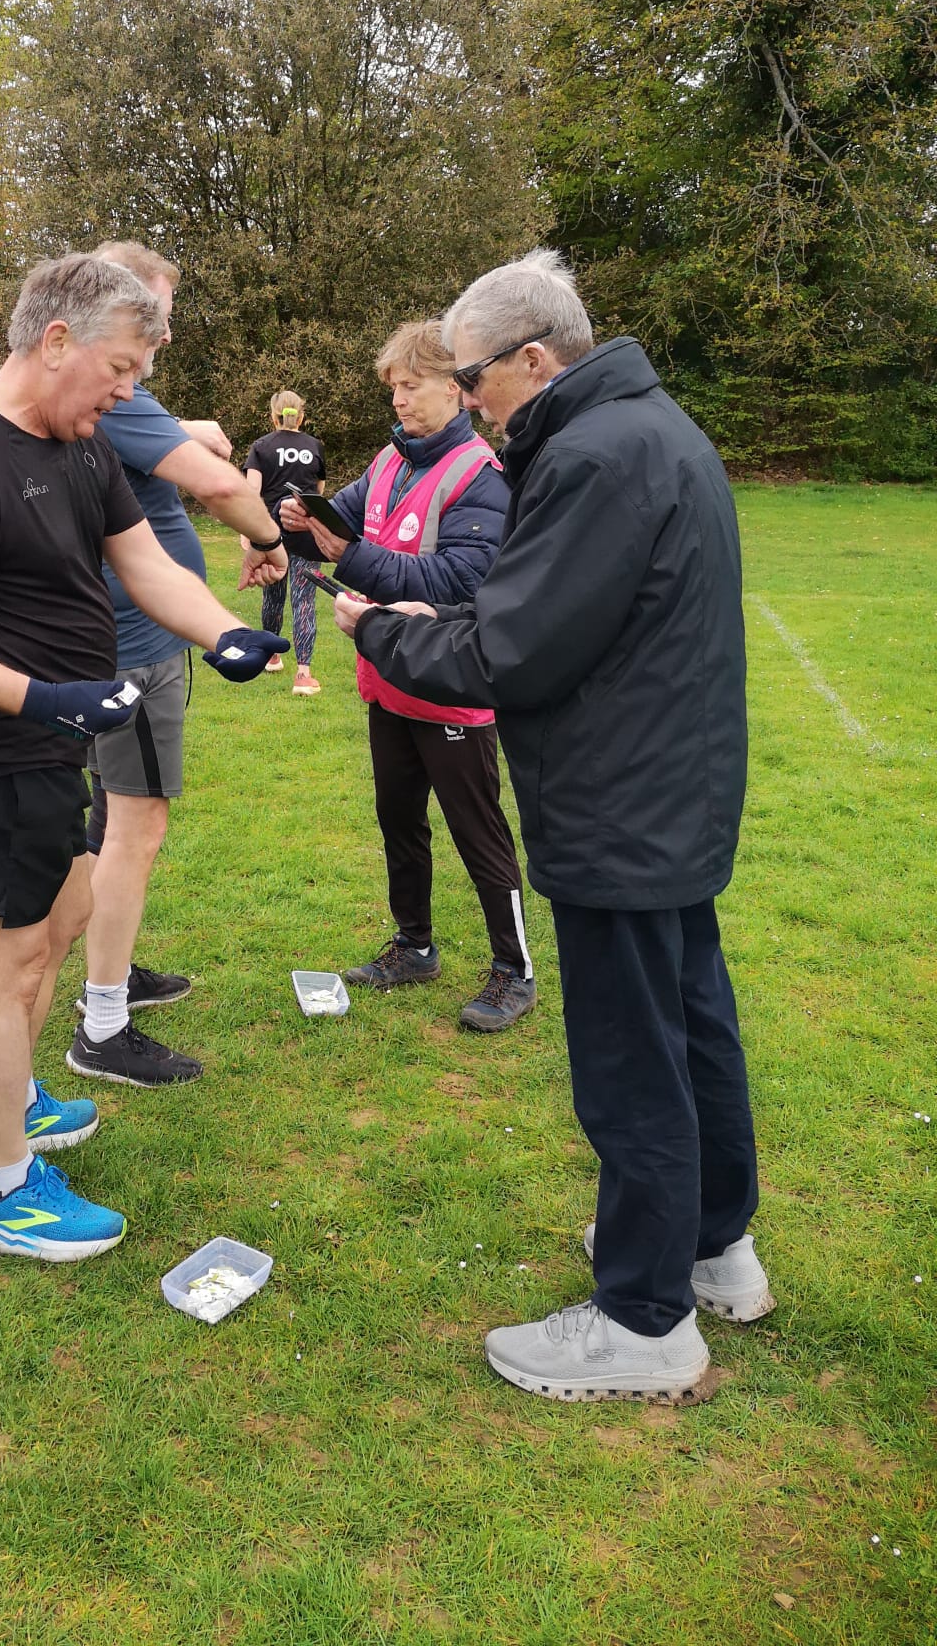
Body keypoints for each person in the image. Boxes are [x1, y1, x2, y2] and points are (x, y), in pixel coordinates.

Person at [338, 248, 766, 1403]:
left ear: (534, 358)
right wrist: (433, 615)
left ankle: (644, 1318)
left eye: (474, 378)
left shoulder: (594, 453)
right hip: (671, 790)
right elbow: (557, 615)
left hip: (620, 800)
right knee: (691, 1020)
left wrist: (380, 629)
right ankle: (712, 1246)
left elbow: (511, 652)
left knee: (633, 1055)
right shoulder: (652, 429)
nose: (469, 401)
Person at [0, 254, 286, 1263]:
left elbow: (143, 561)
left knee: (62, 919)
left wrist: (223, 631)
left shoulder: (82, 442)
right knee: (7, 962)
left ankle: (12, 1101)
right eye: (121, 369)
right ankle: (4, 1190)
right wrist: (45, 696)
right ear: (56, 341)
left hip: (45, 747)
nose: (129, 391)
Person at [72, 241, 291, 1088]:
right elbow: (224, 484)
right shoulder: (115, 396)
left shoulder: (118, 395)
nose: (162, 336)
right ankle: (101, 1023)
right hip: (135, 648)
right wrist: (269, 541)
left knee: (111, 823)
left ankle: (114, 972)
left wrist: (192, 427)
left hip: (133, 641)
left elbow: (197, 444)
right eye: (152, 317)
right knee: (138, 826)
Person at [281, 319, 533, 1030]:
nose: (398, 399)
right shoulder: (391, 459)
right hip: (388, 681)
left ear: (455, 389)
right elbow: (340, 524)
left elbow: (459, 581)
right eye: (393, 386)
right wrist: (291, 522)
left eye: (412, 385)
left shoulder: (481, 475)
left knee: (479, 835)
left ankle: (514, 971)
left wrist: (350, 555)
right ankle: (414, 946)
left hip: (452, 688)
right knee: (398, 821)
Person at [243, 391, 326, 696]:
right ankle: (303, 675)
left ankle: (272, 656)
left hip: (271, 533)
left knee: (273, 597)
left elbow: (251, 492)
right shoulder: (314, 446)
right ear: (301, 417)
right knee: (304, 601)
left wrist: (247, 530)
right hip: (306, 531)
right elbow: (318, 491)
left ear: (273, 416)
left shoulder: (261, 446)